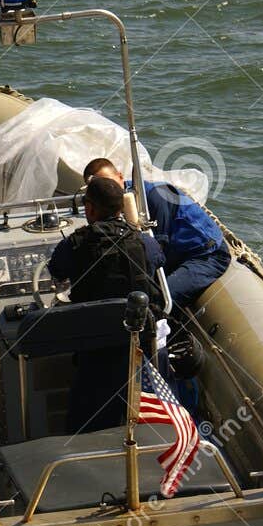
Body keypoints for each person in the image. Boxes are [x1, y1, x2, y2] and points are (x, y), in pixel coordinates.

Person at [47, 175, 165, 433]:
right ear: (121, 207)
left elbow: (56, 270)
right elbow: (158, 261)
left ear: (89, 208)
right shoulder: (144, 242)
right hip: (137, 347)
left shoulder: (75, 244)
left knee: (85, 421)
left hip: (94, 351)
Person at [81, 157, 231, 312]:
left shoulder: (155, 197)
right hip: (173, 252)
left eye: (108, 182)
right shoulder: (109, 206)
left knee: (155, 299)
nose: (106, 189)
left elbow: (157, 253)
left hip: (205, 255)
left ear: (120, 177)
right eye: (98, 188)